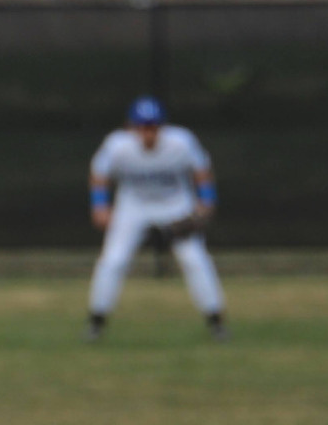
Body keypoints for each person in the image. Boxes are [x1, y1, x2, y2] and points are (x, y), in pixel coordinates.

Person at [85, 95, 228, 341]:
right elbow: (99, 173)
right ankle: (96, 322)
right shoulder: (118, 145)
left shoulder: (181, 142)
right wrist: (100, 206)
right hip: (133, 205)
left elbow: (202, 171)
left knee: (194, 258)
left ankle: (216, 322)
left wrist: (206, 200)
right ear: (131, 127)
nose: (148, 132)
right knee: (113, 260)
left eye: (153, 126)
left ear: (162, 126)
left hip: (175, 204)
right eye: (142, 126)